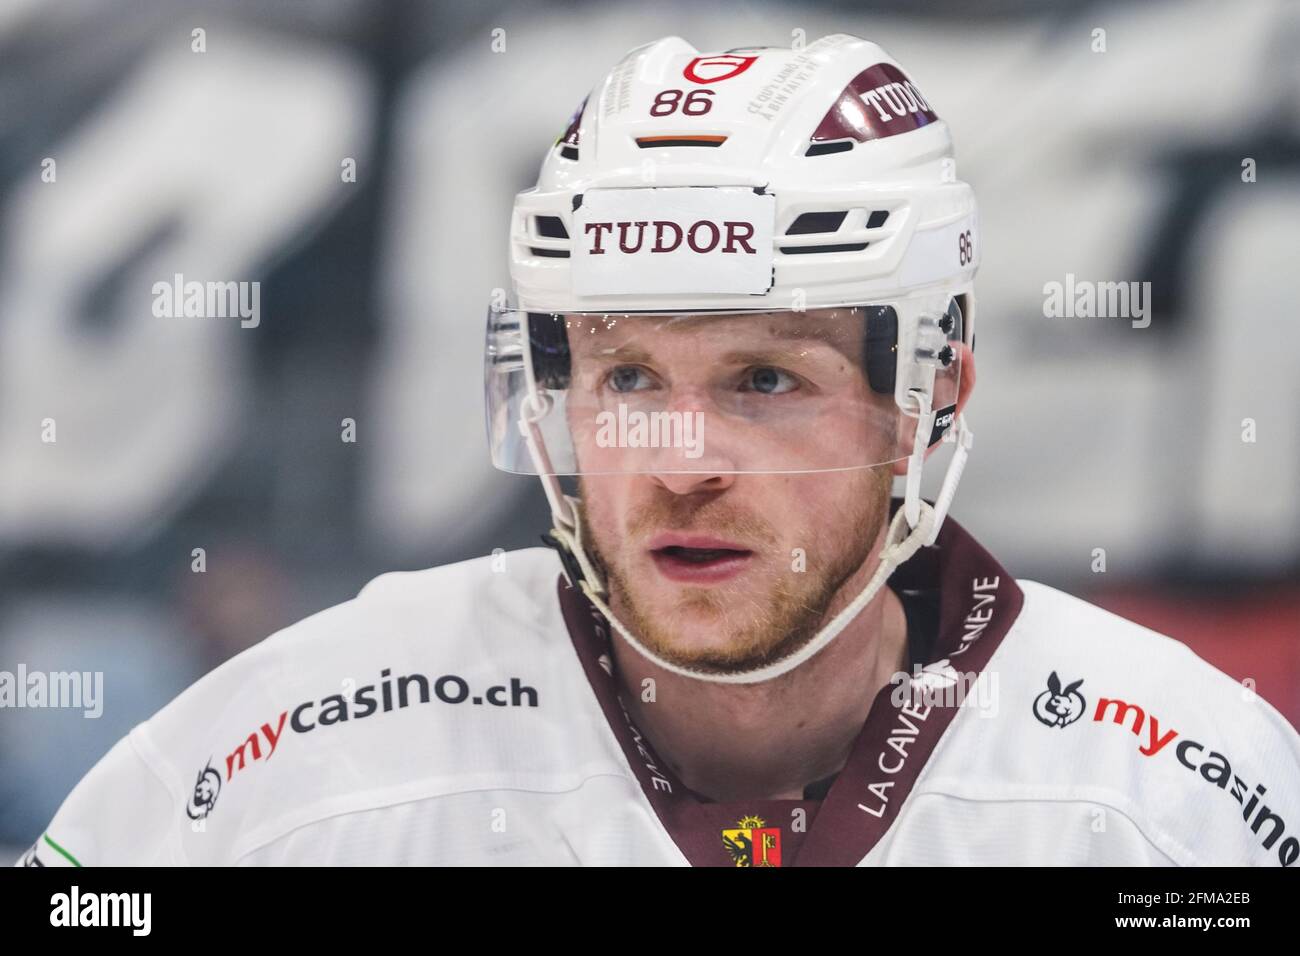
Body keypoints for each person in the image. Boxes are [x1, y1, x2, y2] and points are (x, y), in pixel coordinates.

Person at [19, 34, 1299, 867]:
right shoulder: (310, 734)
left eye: (761, 380)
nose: (679, 462)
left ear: (929, 396)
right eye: (627, 375)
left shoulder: (1169, 781)